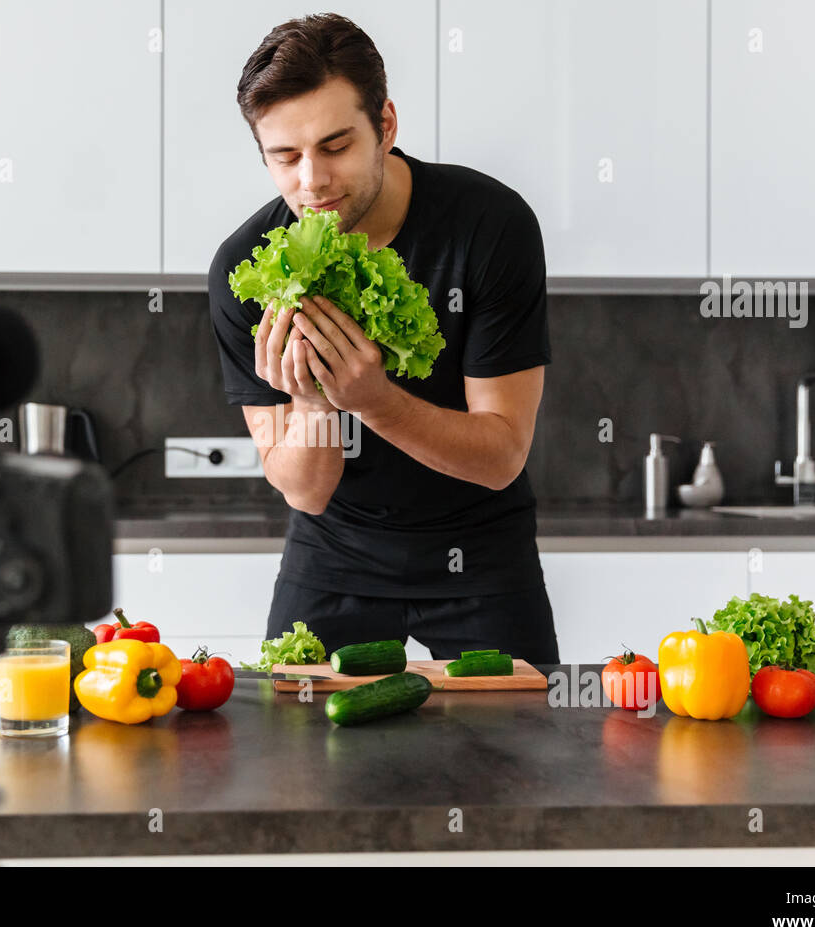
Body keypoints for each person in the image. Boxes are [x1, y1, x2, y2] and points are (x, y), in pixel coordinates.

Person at [208, 13, 559, 664]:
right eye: (284, 157)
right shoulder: (245, 271)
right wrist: (316, 404)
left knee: (521, 753)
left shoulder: (490, 227)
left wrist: (373, 400)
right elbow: (304, 491)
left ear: (386, 127)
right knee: (300, 748)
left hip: (480, 547)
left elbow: (501, 455)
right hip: (333, 549)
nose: (310, 182)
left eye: (335, 146)